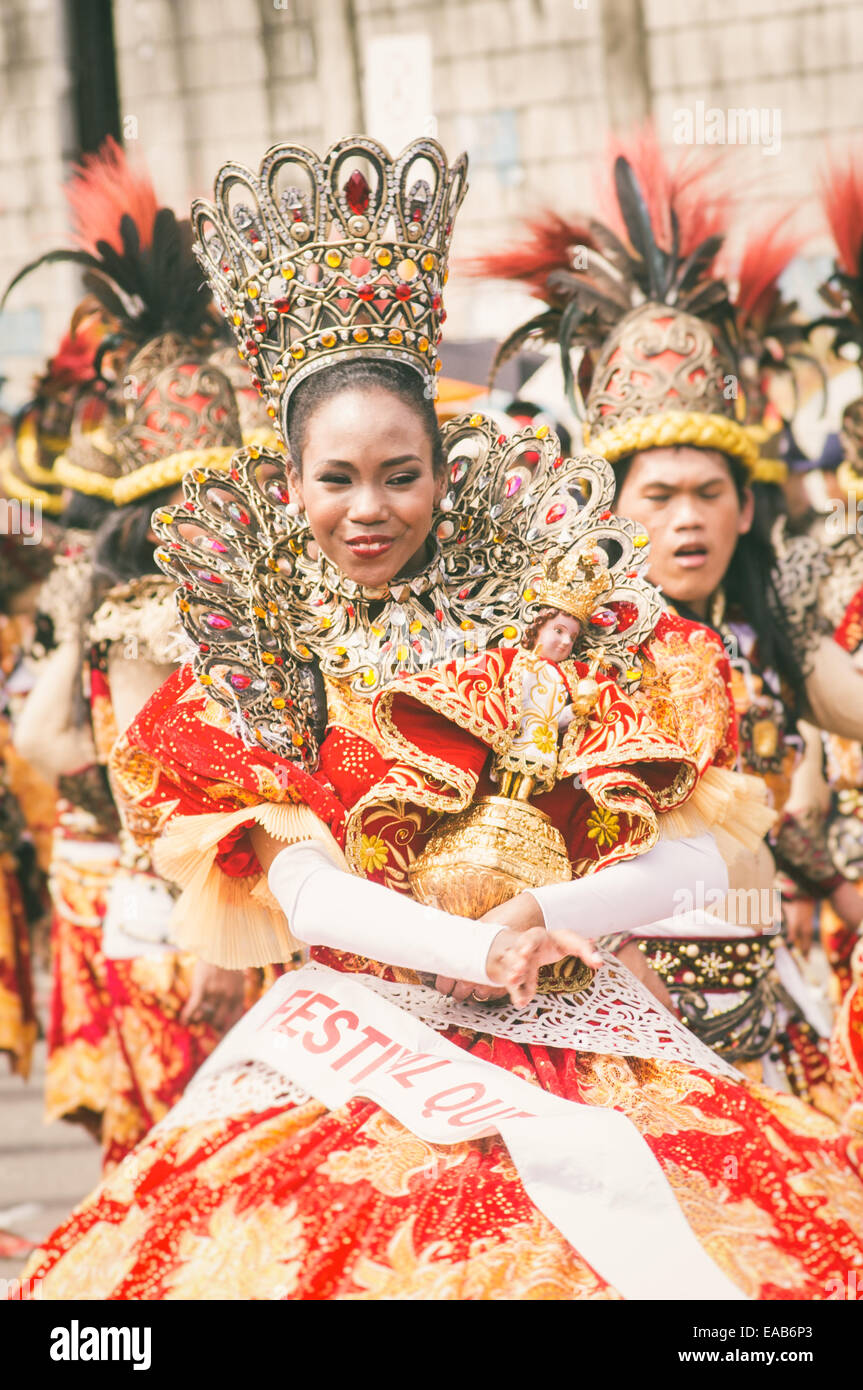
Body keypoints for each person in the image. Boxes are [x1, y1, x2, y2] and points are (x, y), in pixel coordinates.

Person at [19, 134, 863, 1302]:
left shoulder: (566, 624)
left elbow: (693, 850)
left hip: (582, 1030)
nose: (369, 510)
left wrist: (553, 910)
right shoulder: (253, 660)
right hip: (365, 1046)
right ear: (288, 482)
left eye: (400, 475)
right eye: (336, 478)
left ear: (445, 468)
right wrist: (479, 948)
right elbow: (300, 886)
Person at [478, 133, 863, 1109]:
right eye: (657, 495)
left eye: (705, 491)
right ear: (610, 510)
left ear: (744, 505)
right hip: (620, 1013)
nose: (684, 517)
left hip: (771, 1013)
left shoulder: (773, 635)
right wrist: (604, 962)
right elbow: (522, 838)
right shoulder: (567, 651)